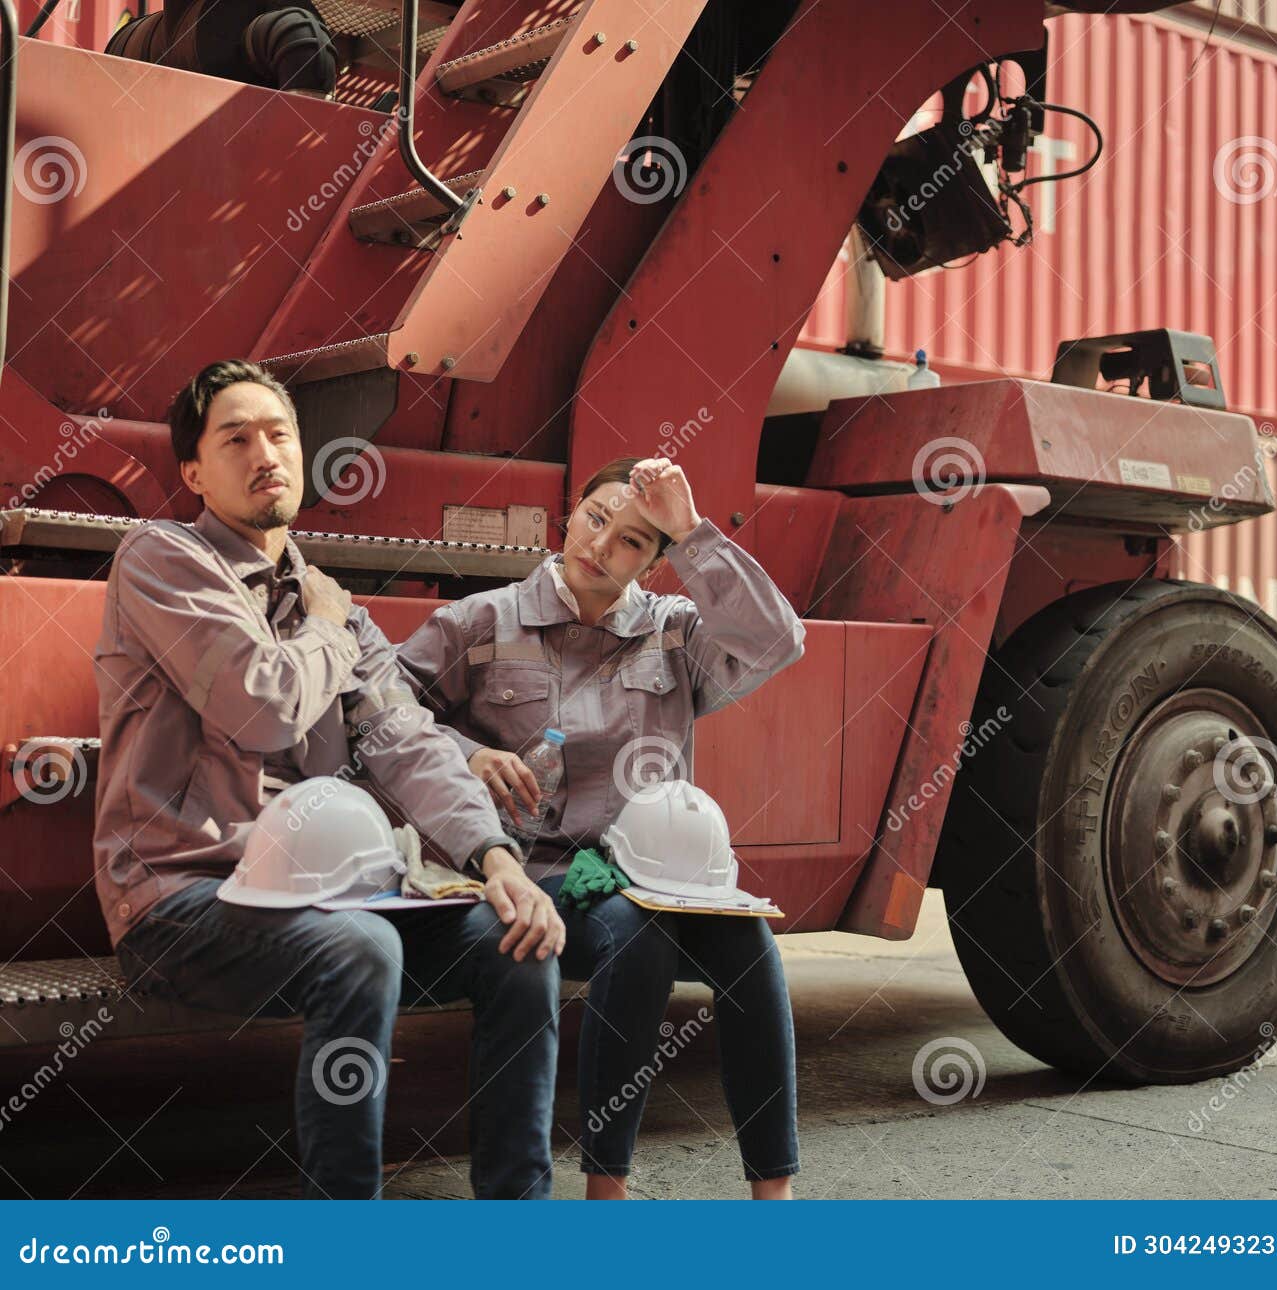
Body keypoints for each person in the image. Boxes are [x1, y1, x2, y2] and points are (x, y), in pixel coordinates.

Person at [94, 359, 565, 1200]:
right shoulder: (160, 562)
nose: (264, 452)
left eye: (278, 434)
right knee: (360, 947)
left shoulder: (338, 611)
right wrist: (321, 625)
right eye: (235, 438)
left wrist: (496, 861)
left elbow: (406, 740)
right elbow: (261, 708)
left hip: (331, 892)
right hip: (184, 896)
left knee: (514, 944)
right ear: (195, 473)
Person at [398, 456, 806, 1198]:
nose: (600, 546)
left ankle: (773, 1199)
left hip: (652, 869)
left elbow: (779, 640)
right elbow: (382, 712)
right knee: (636, 930)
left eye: (632, 542)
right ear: (568, 515)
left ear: (654, 562)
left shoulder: (677, 636)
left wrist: (693, 533)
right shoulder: (482, 621)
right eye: (595, 520)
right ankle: (606, 1192)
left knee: (748, 941)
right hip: (530, 870)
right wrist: (469, 752)